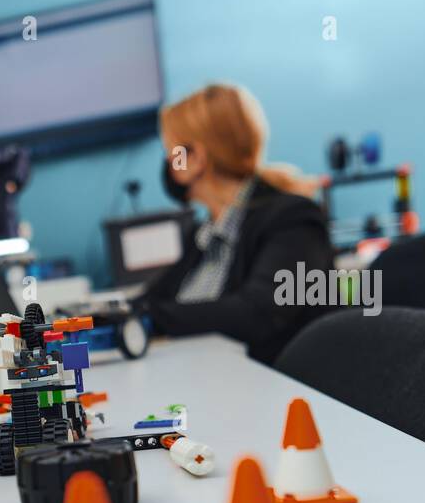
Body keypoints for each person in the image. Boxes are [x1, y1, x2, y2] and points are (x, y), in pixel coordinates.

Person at [135, 84, 333, 365]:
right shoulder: (205, 235)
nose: (168, 162)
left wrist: (151, 319)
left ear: (196, 159)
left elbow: (258, 313)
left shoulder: (294, 220)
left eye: (172, 152)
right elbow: (153, 301)